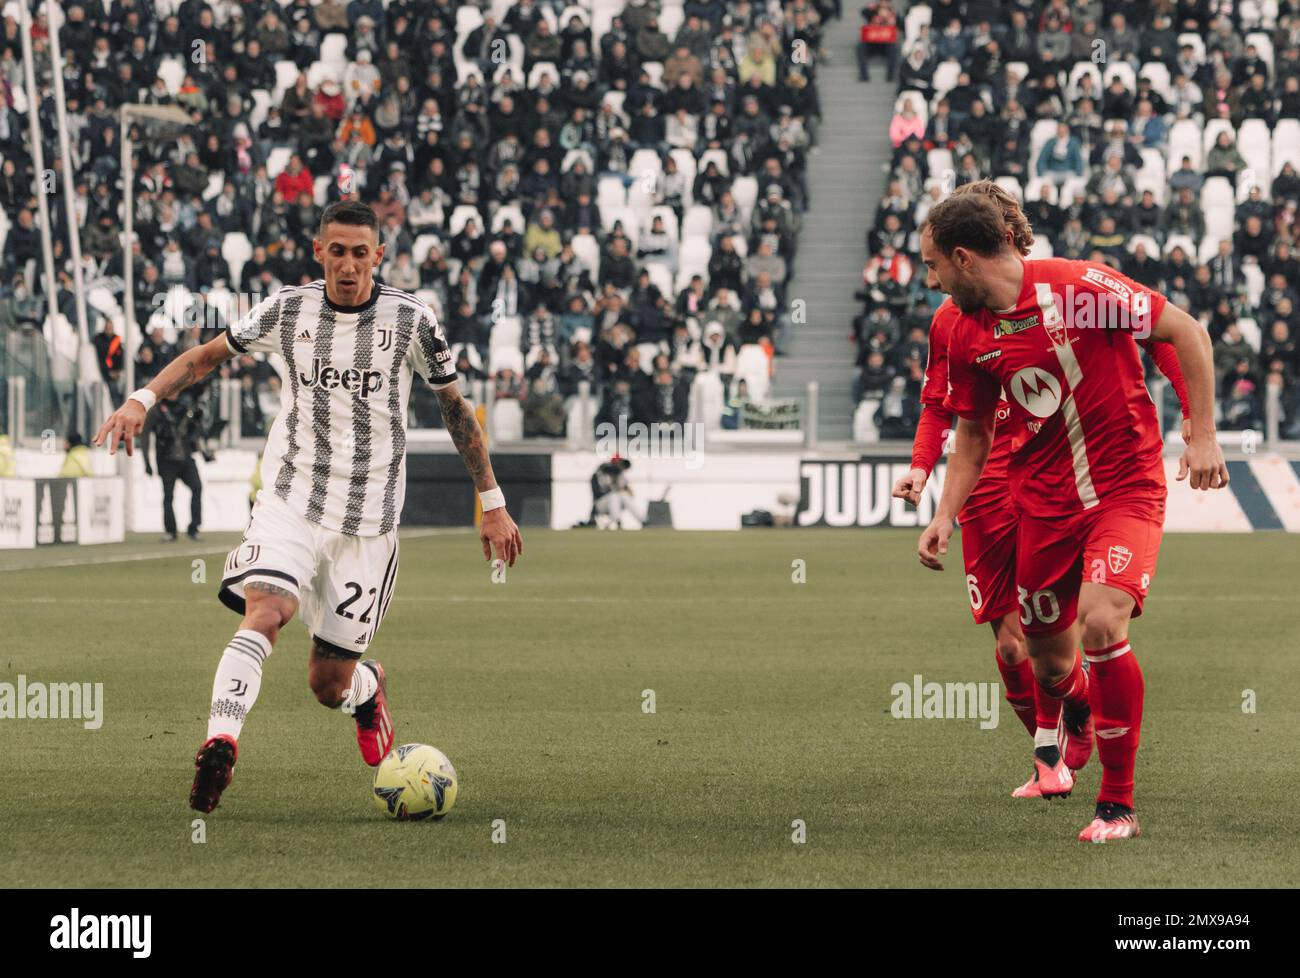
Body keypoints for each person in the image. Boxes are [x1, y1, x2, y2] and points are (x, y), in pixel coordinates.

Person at [95, 201, 523, 814]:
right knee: (268, 609)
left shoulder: (412, 321)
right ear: (319, 251)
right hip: (292, 500)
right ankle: (221, 740)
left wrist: (492, 502)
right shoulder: (289, 309)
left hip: (368, 524)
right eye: (337, 251)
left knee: (328, 685)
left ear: (379, 256)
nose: (348, 265)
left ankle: (368, 692)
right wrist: (141, 398)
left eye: (361, 252)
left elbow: (455, 410)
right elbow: (204, 357)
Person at [916, 193, 1229, 842]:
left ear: (964, 258)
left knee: (1102, 621)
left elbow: (1185, 332)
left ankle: (1117, 805)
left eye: (933, 266)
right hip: (1044, 506)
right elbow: (972, 435)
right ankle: (1077, 719)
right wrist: (945, 515)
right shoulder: (963, 327)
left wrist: (1202, 435)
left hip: (1124, 489)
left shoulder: (1080, 286)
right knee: (1051, 664)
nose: (929, 280)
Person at [146, 397, 206, 542]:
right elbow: (145, 435)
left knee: (197, 487)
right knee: (168, 496)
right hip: (166, 460)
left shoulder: (185, 406)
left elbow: (195, 432)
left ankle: (194, 527)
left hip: (186, 457)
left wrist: (203, 452)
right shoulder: (156, 411)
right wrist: (146, 461)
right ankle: (170, 530)